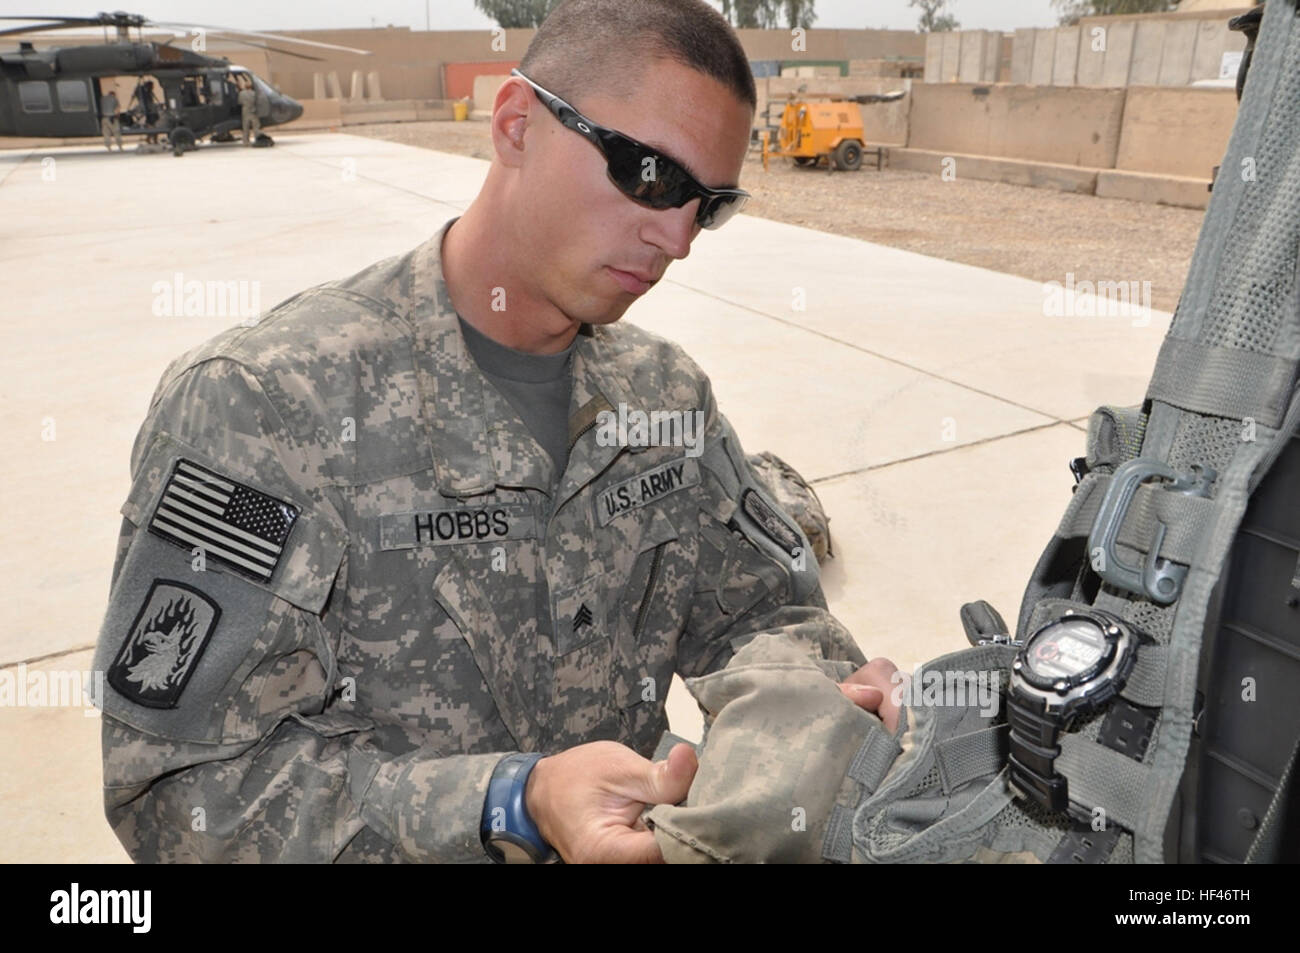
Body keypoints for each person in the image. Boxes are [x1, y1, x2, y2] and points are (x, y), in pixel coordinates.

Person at [91, 0, 899, 865]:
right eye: (651, 176)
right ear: (516, 124)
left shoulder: (665, 394)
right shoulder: (262, 406)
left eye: (709, 205)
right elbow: (180, 793)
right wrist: (510, 802)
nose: (676, 240)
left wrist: (805, 703)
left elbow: (763, 611)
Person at [100, 88, 122, 152]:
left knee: (106, 133)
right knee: (116, 132)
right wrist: (118, 117)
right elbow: (117, 109)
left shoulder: (102, 99)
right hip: (112, 118)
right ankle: (120, 146)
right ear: (113, 94)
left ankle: (109, 148)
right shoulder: (114, 99)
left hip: (104, 118)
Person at [238, 78, 259, 145]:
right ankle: (257, 140)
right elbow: (257, 102)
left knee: (245, 127)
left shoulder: (241, 94)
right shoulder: (254, 93)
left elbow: (239, 102)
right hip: (253, 111)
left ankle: (246, 142)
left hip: (245, 111)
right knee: (255, 127)